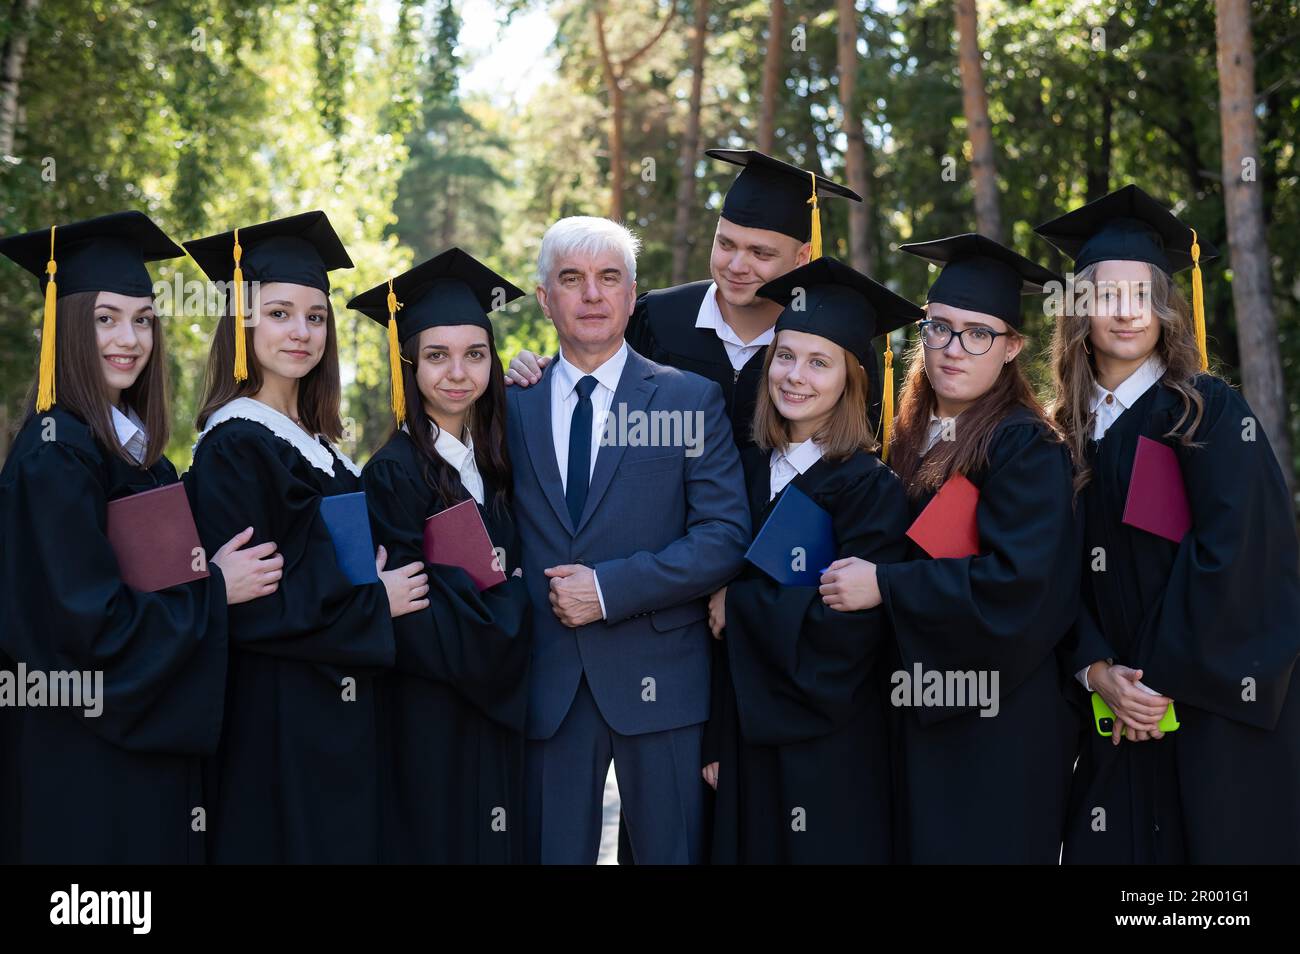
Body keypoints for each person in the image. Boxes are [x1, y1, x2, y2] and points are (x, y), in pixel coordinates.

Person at [0, 212, 281, 863]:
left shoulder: (135, 455)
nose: (129, 339)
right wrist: (214, 589)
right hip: (83, 768)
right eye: (105, 318)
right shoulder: (54, 457)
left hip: (137, 752)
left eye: (143, 319)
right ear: (67, 326)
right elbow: (88, 629)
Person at [1037, 184, 1300, 863]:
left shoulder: (1206, 413)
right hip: (1113, 716)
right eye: (1105, 295)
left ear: (1166, 308)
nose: (1126, 313)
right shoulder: (1058, 438)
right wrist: (1097, 670)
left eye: (1143, 294)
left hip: (1209, 710)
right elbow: (1049, 571)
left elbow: (1242, 555)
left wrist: (1156, 680)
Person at [820, 233, 1081, 863]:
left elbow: (1019, 586)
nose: (954, 348)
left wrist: (885, 586)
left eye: (978, 333)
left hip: (997, 722)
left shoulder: (1024, 448)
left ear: (1013, 346)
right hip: (918, 710)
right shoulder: (903, 435)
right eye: (939, 328)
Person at [184, 211, 425, 863]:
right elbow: (256, 605)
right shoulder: (234, 444)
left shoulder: (320, 446)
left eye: (316, 317)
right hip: (279, 722)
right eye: (281, 313)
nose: (302, 332)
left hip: (335, 713)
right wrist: (374, 598)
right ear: (243, 322)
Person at [507, 215, 749, 864]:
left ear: (633, 294)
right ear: (544, 297)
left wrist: (609, 589)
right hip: (546, 683)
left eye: (608, 278)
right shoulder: (508, 405)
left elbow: (725, 535)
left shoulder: (688, 401)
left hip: (663, 679)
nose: (592, 294)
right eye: (572, 279)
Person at [705, 258, 920, 863]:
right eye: (786, 356)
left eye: (818, 363)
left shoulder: (868, 488)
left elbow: (850, 633)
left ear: (852, 380)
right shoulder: (744, 471)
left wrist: (738, 604)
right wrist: (718, 737)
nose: (795, 377)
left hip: (830, 747)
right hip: (745, 734)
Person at [351, 248, 533, 863]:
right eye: (436, 355)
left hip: (499, 713)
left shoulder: (498, 462)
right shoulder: (392, 475)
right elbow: (416, 612)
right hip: (431, 718)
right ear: (409, 363)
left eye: (475, 354)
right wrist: (516, 613)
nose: (458, 373)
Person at [506, 150, 878, 448]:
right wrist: (542, 370)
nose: (737, 265)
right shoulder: (657, 317)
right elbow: (591, 380)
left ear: (802, 257)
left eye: (760, 254)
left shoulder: (831, 340)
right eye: (725, 243)